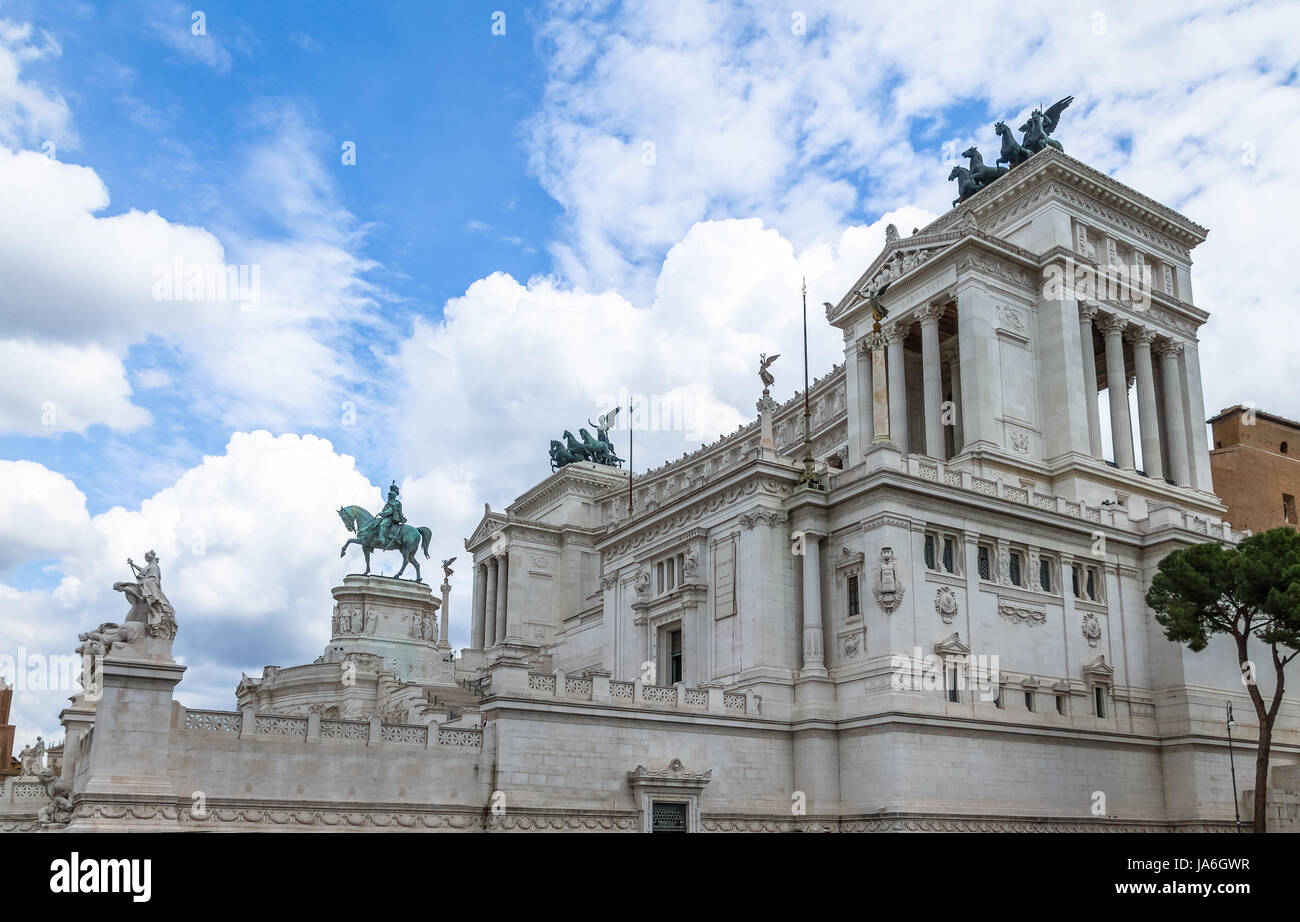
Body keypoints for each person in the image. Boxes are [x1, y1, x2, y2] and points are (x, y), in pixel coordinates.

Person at [377, 482, 406, 549]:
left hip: (392, 518)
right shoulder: (389, 502)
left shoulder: (395, 503)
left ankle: (382, 539)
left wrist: (382, 513)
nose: (388, 497)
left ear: (392, 496)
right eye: (389, 495)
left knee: (383, 524)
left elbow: (390, 511)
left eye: (389, 495)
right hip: (386, 517)